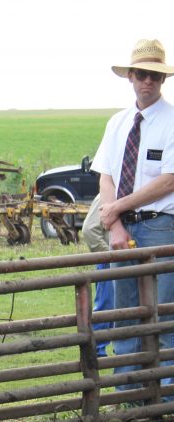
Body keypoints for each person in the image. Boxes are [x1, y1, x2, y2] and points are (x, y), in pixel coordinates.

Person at [91, 39, 174, 394]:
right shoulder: (118, 123)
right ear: (130, 77)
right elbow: (106, 175)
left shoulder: (172, 121)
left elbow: (169, 180)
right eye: (142, 74)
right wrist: (115, 224)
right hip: (123, 228)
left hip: (160, 225)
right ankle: (127, 397)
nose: (148, 82)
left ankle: (165, 396)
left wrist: (115, 210)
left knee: (164, 314)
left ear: (163, 80)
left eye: (155, 76)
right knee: (124, 312)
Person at [80, 194, 113, 357]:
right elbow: (89, 229)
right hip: (111, 260)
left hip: (116, 258)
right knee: (106, 306)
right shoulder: (105, 196)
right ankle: (96, 350)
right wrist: (108, 255)